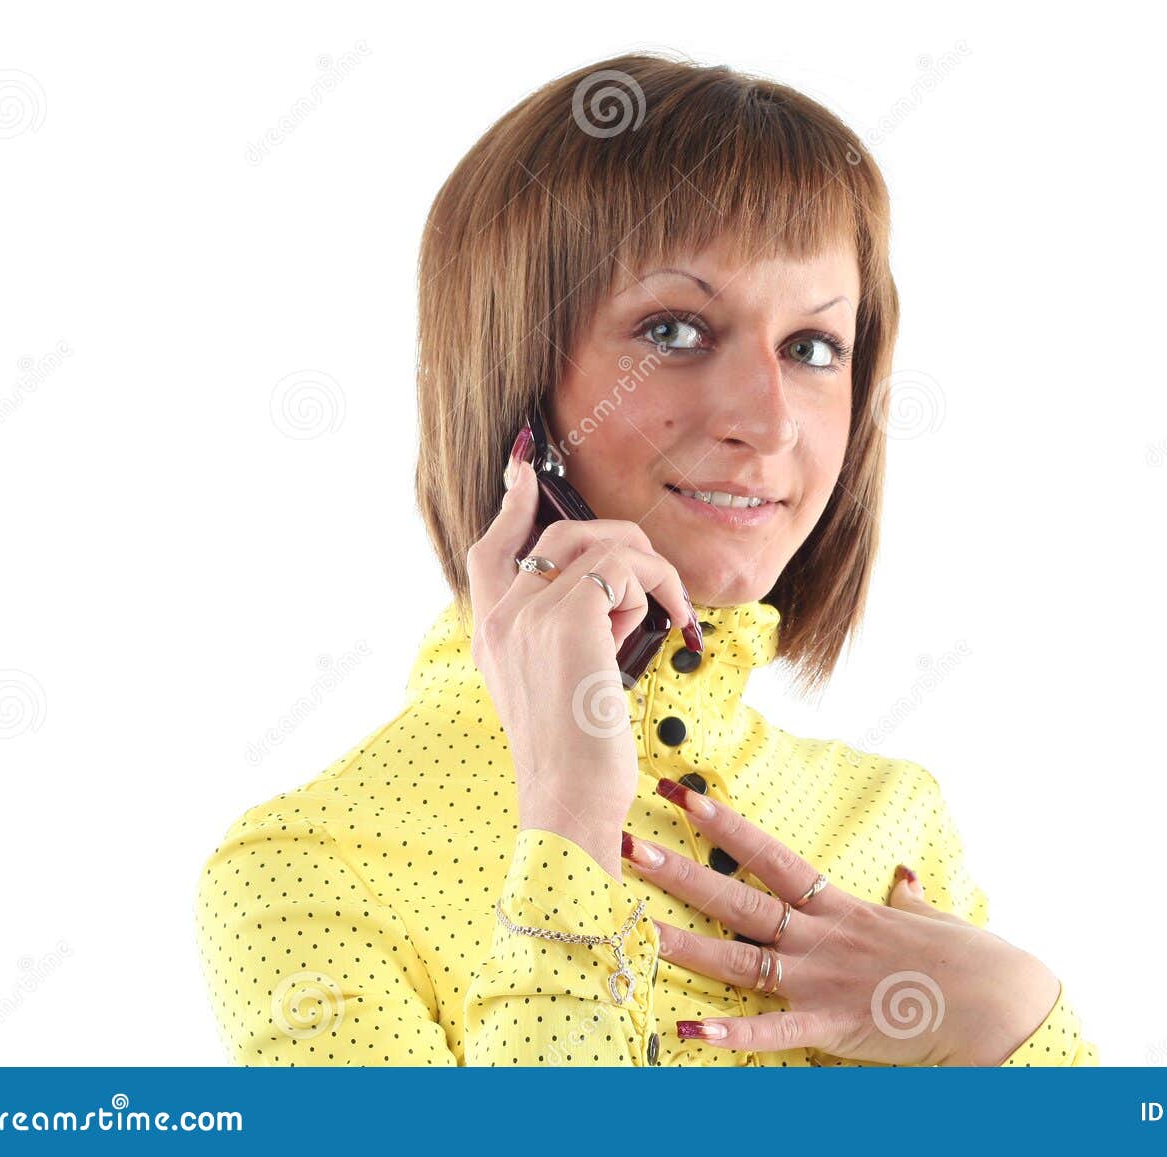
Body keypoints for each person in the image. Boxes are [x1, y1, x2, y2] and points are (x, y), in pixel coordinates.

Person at [194, 51, 1098, 1067]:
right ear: (517, 390)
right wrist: (567, 823)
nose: (770, 421)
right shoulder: (306, 867)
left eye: (811, 347)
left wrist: (1025, 1024)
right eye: (675, 330)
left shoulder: (895, 822)